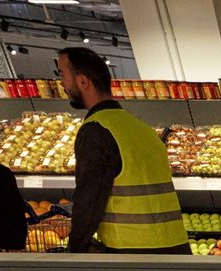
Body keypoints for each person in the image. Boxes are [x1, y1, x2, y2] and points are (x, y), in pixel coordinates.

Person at [56, 47, 186, 254]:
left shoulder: (96, 130)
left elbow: (89, 200)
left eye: (62, 74)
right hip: (175, 246)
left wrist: (76, 250)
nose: (61, 83)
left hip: (132, 251)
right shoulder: (142, 128)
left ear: (83, 81)